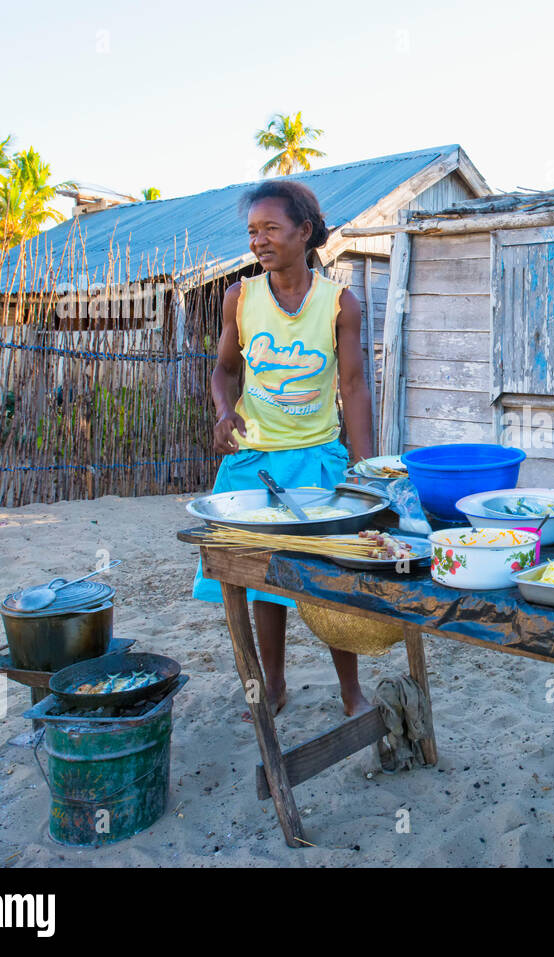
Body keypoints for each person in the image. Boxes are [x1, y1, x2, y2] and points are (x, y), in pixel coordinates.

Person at [192, 179, 375, 718]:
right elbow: (224, 371)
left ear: (305, 232)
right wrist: (225, 413)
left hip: (316, 457)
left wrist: (364, 466)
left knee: (328, 580)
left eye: (271, 228)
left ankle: (350, 689)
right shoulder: (239, 298)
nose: (259, 240)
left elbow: (354, 386)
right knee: (260, 579)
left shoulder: (340, 303)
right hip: (252, 461)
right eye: (252, 231)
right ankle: (272, 686)